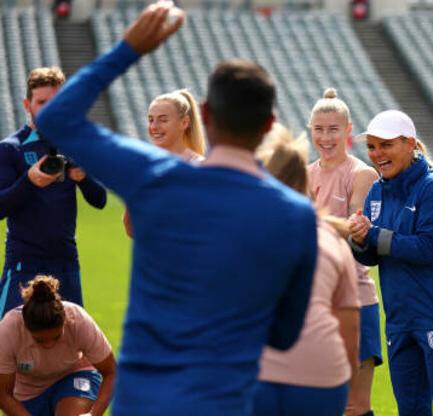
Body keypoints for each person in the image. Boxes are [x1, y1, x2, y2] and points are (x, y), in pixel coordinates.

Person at [35, 3, 317, 415]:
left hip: (144, 403)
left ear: (203, 114)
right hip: (225, 401)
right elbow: (285, 334)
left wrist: (129, 50)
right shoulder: (295, 215)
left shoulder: (155, 176)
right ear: (268, 123)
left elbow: (56, 118)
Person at [348, 110, 433, 416]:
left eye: (386, 145)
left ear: (410, 144)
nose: (377, 154)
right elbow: (372, 256)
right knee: (411, 411)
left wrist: (373, 234)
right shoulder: (377, 190)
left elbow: (426, 248)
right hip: (400, 319)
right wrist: (359, 240)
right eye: (372, 147)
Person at [256, 129, 361, 416]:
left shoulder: (241, 233)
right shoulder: (330, 236)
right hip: (321, 375)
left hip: (255, 372)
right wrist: (345, 376)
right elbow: (349, 322)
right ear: (308, 187)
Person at [0, 67, 107, 317]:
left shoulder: (74, 145)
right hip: (23, 265)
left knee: (71, 348)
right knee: (8, 347)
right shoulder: (10, 149)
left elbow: (100, 200)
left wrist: (84, 178)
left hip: (66, 263)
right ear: (28, 104)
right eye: (42, 102)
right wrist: (29, 181)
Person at [306, 88, 381, 416]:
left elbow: (355, 231)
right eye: (319, 129)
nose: (325, 137)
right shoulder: (307, 173)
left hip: (355, 299)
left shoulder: (361, 173)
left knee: (354, 405)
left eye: (333, 129)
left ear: (348, 131)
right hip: (316, 300)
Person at [0, 275, 116, 416]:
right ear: (26, 328)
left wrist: (93, 414)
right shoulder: (8, 330)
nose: (49, 346)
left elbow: (111, 372)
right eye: (40, 341)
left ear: (64, 322)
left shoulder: (78, 320)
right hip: (26, 393)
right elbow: (3, 393)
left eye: (56, 337)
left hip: (73, 375)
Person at [123, 88, 206, 237]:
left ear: (184, 122)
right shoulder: (143, 167)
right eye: (151, 119)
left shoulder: (199, 168)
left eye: (163, 120)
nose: (154, 127)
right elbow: (131, 229)